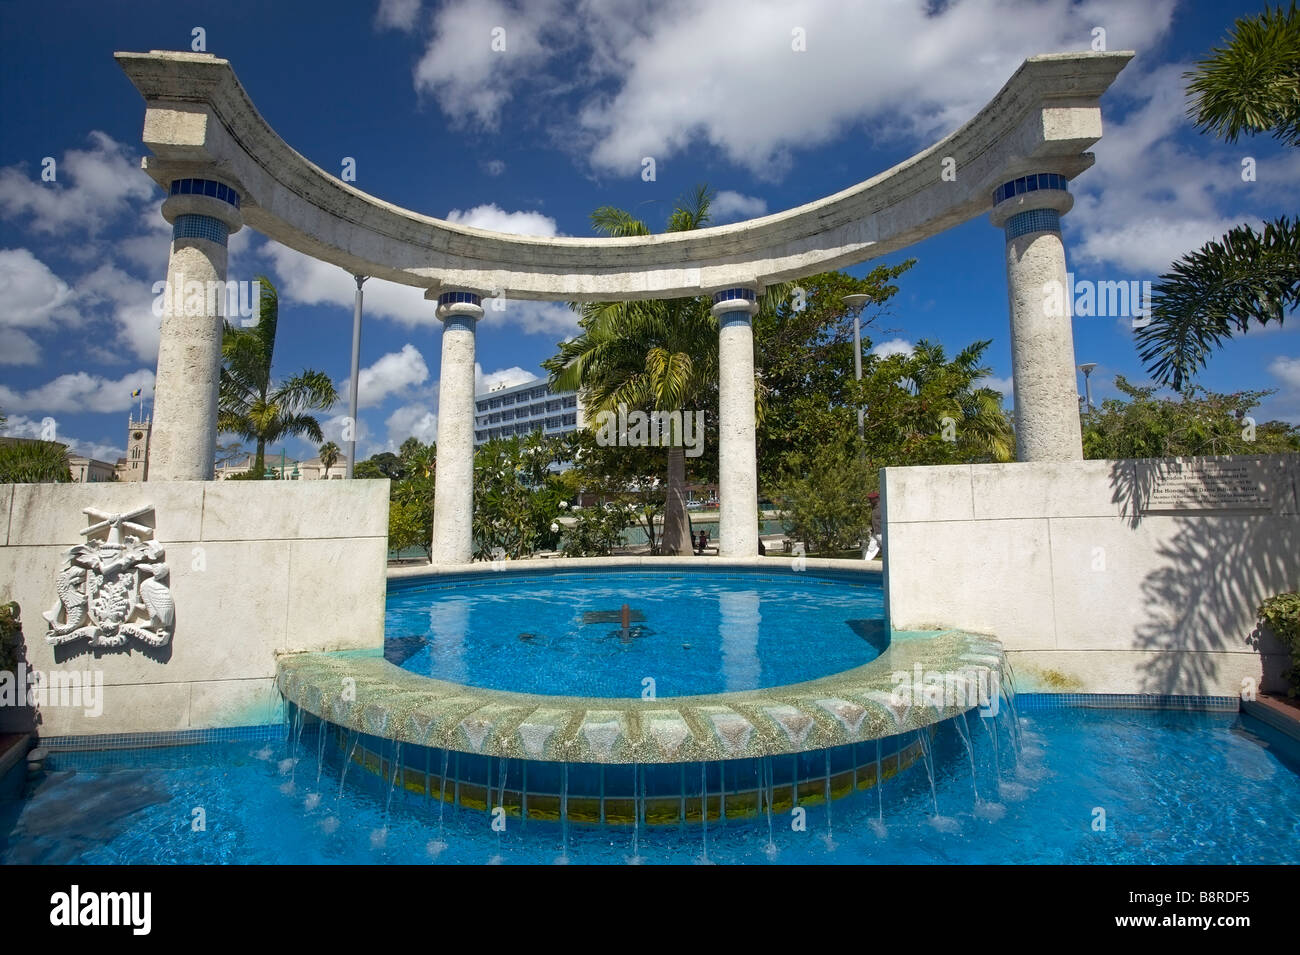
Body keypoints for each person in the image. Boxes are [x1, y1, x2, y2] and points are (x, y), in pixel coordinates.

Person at [864, 490, 883, 561]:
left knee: (888, 548)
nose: (869, 500)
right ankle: (866, 564)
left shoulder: (882, 507)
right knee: (871, 548)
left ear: (876, 498)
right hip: (876, 532)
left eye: (871, 499)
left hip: (881, 532)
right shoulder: (874, 506)